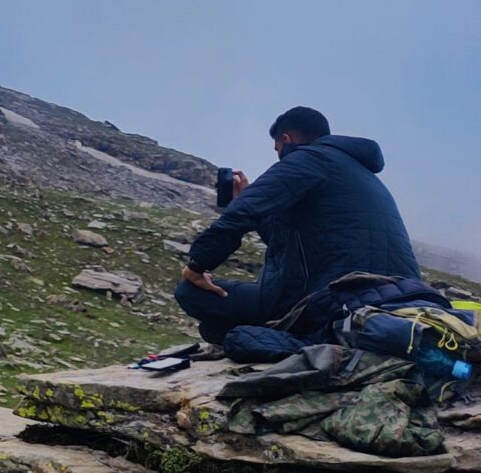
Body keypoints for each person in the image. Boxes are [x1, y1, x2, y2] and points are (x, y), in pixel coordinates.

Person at [176, 107, 420, 346]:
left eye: (278, 149)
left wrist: (197, 266)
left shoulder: (306, 160)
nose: (278, 155)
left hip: (332, 299)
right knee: (213, 328)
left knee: (190, 293)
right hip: (399, 297)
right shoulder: (359, 172)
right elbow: (286, 239)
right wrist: (247, 198)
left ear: (286, 139)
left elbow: (242, 213)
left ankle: (292, 337)